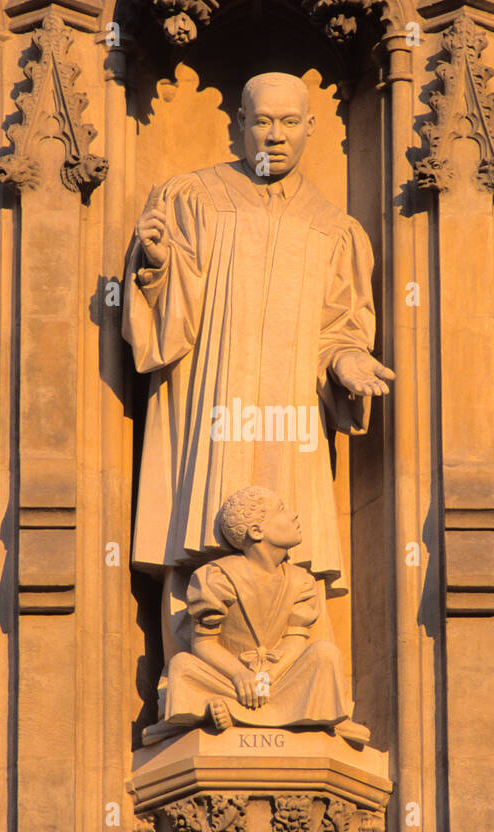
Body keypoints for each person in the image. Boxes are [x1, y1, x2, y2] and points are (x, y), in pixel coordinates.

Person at [122, 72, 393, 675]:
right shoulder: (190, 197)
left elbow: (342, 326)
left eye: (290, 122)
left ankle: (297, 687)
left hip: (291, 413)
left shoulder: (334, 228)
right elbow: (162, 323)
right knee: (198, 529)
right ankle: (197, 684)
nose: (275, 135)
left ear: (311, 129)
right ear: (240, 125)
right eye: (263, 121)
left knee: (291, 537)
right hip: (208, 404)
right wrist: (157, 265)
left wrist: (348, 360)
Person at [144, 486, 364, 744]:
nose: (294, 516)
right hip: (229, 679)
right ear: (256, 531)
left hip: (276, 679)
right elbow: (203, 643)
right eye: (282, 510)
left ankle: (229, 712)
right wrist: (240, 675)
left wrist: (266, 678)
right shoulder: (217, 577)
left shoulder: (300, 581)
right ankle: (281, 712)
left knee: (325, 655)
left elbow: (295, 639)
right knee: (182, 666)